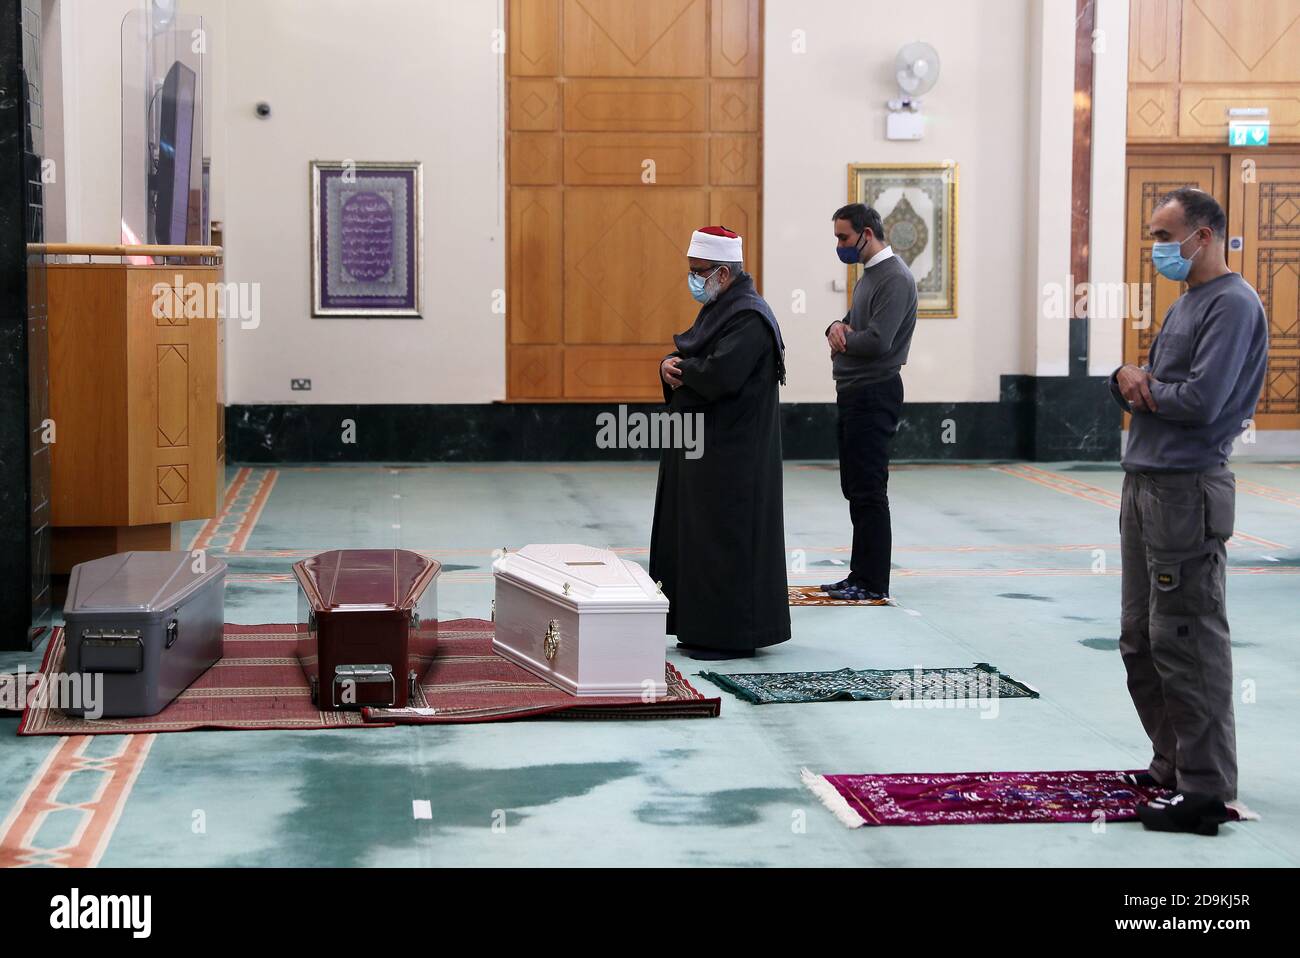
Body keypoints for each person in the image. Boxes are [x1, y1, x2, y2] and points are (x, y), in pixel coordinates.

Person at [1109, 186, 1268, 835]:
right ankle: (1172, 761)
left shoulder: (1232, 304)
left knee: (1186, 638)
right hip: (1146, 479)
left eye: (1165, 235)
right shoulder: (1190, 300)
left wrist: (1142, 390)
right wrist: (1126, 374)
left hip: (1185, 489)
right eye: (1153, 235)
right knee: (1140, 637)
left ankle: (1205, 787)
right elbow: (1155, 380)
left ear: (1203, 236)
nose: (1157, 248)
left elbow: (1202, 401)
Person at [649, 226, 791, 661]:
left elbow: (720, 375)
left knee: (723, 541)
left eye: (700, 273)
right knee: (695, 539)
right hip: (706, 450)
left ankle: (728, 634)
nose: (694, 280)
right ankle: (699, 626)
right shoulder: (721, 308)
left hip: (733, 457)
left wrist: (684, 371)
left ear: (724, 274)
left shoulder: (748, 316)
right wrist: (668, 367)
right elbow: (696, 357)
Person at [820, 204, 918, 603]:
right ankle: (858, 573)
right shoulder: (869, 277)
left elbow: (879, 341)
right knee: (855, 488)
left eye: (843, 237)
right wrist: (833, 328)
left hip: (874, 392)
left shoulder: (895, 278)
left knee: (870, 490)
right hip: (854, 391)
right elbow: (846, 324)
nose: (840, 245)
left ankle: (873, 582)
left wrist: (844, 339)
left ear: (866, 232)